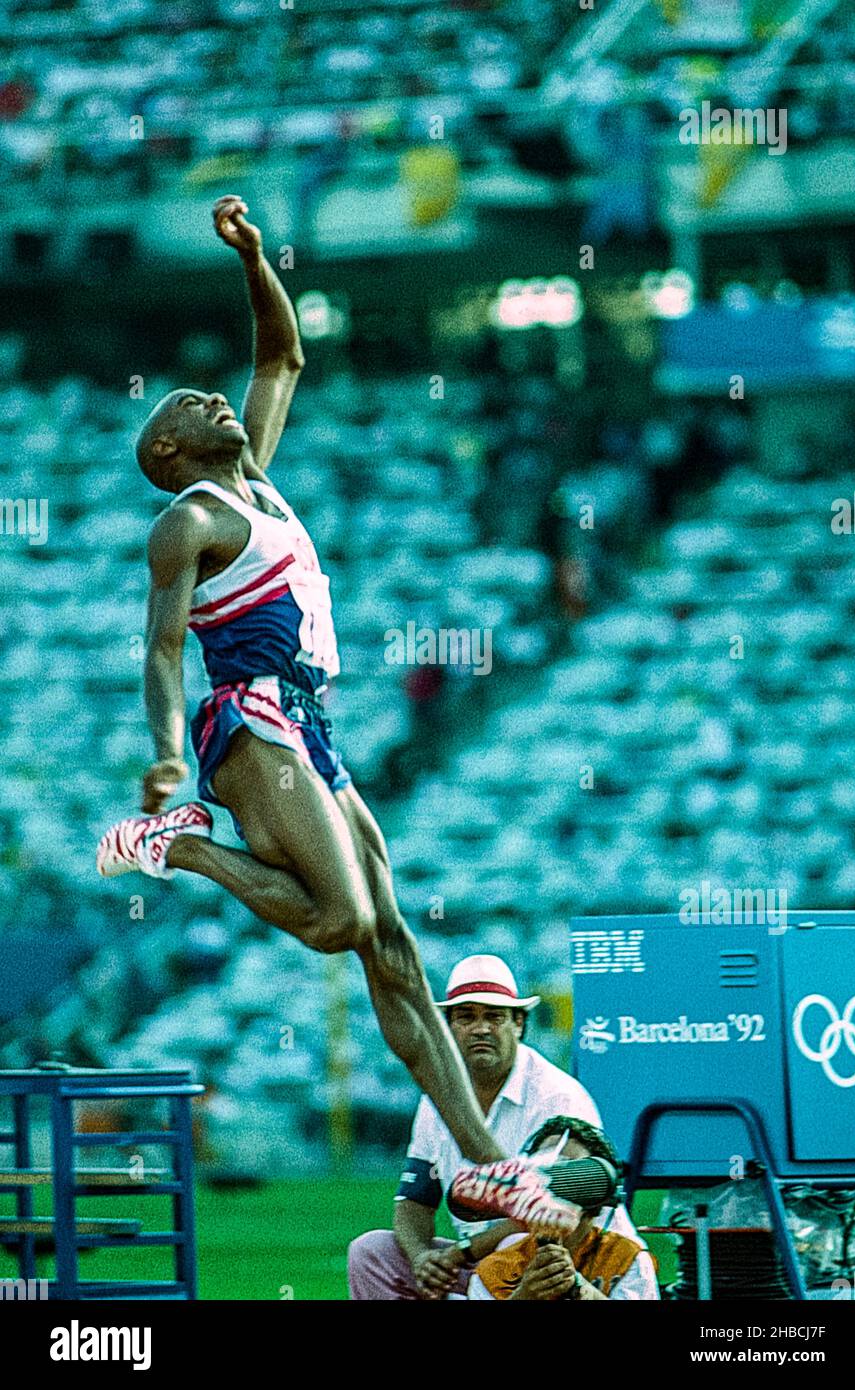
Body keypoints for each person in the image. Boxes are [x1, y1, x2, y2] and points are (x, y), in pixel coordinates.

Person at [94, 196, 570, 1233]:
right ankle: (182, 847)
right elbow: (162, 649)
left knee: (393, 950)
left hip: (309, 725)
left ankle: (486, 1164)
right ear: (167, 450)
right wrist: (167, 758)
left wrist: (254, 256)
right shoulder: (189, 518)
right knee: (344, 920)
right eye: (189, 403)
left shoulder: (256, 482)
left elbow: (283, 355)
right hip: (249, 722)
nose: (212, 399)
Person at [348, 954, 630, 1300]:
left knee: (520, 1243)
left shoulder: (557, 1097)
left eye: (494, 1016)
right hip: (483, 1261)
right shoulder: (436, 1098)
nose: (480, 1028)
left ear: (519, 1024)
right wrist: (422, 1258)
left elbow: (554, 1212)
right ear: (448, 1028)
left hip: (570, 1260)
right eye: (466, 1017)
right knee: (370, 1251)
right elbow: (414, 1201)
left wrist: (459, 1253)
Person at [467, 1116, 660, 1300]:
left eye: (571, 1174)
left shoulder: (626, 1260)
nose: (555, 1184)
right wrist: (524, 1295)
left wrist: (579, 1289)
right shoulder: (495, 1271)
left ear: (602, 1193)